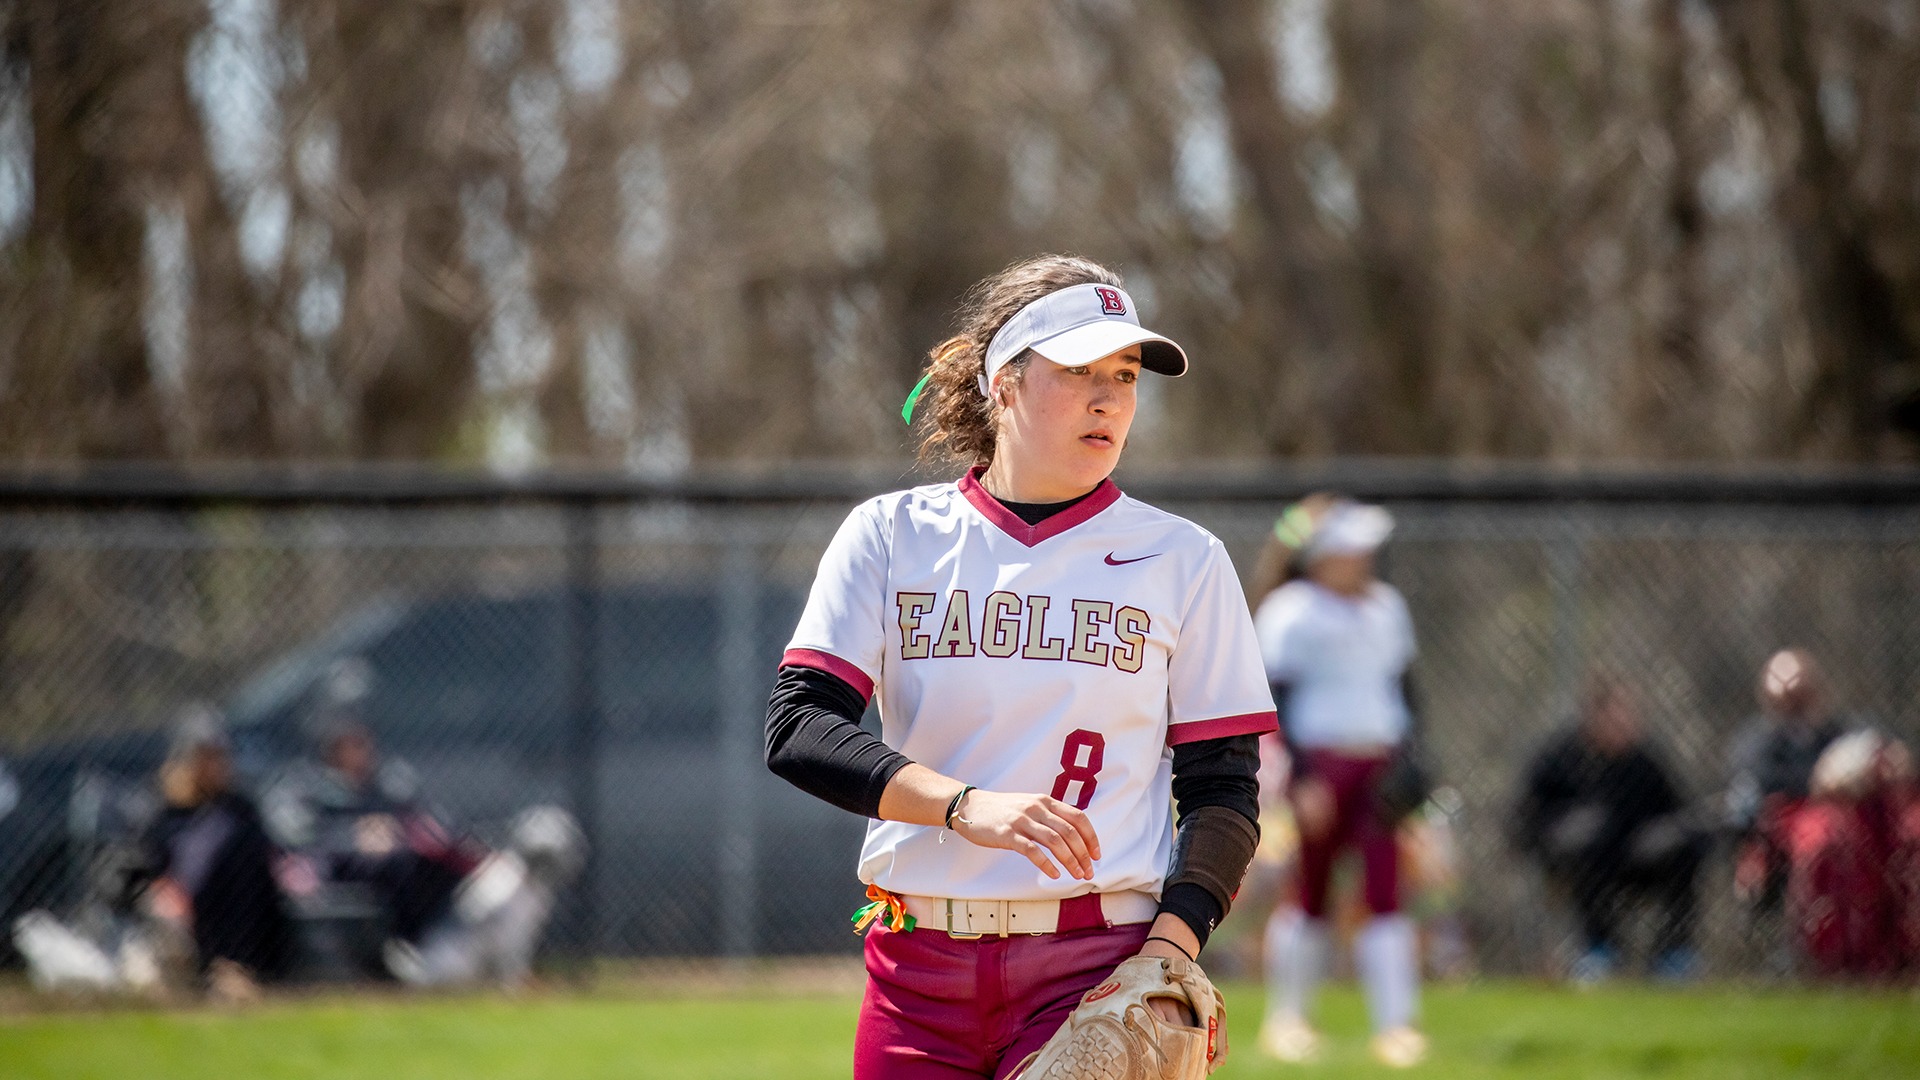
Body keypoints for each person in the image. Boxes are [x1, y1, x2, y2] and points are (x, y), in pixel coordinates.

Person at [764, 255, 1275, 1079]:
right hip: (915, 975)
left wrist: (1172, 948)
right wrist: (964, 806)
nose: (1109, 398)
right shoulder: (893, 535)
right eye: (1078, 370)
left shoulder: (1182, 558)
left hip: (1094, 965)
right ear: (1002, 383)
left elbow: (1223, 789)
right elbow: (800, 727)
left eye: (1126, 374)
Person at [1250, 495, 1428, 1068]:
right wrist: (1301, 778)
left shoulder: (1385, 608)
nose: (1364, 560)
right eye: (1352, 551)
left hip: (1379, 763)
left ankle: (1396, 1027)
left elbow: (1404, 690)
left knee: (1385, 892)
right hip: (1321, 765)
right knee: (1311, 889)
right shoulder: (1292, 611)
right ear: (1323, 556)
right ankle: (1288, 1020)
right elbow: (1276, 699)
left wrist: (1415, 761)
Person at [264, 683, 484, 975]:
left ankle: (427, 953)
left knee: (423, 866)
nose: (362, 749)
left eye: (363, 740)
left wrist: (396, 832)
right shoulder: (302, 785)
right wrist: (352, 836)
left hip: (396, 871)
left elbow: (434, 825)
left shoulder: (389, 783)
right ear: (329, 746)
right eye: (350, 742)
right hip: (333, 872)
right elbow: (290, 835)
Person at [1514, 675, 1707, 983]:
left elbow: (1678, 812)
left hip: (1637, 861)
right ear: (1595, 716)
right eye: (1619, 713)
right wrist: (1562, 834)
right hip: (1583, 865)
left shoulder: (1644, 761)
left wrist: (1665, 836)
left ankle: (1672, 954)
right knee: (1589, 837)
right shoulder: (1560, 757)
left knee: (1686, 848)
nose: (1629, 721)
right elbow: (1525, 819)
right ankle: (1598, 950)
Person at [137, 707, 295, 998]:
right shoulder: (166, 811)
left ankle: (235, 969)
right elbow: (147, 866)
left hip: (230, 909)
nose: (216, 765)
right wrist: (165, 890)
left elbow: (269, 855)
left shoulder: (238, 808)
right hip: (183, 905)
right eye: (206, 757)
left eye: (220, 757)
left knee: (245, 862)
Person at [1724, 648, 1855, 960]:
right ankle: (1803, 945)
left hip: (1839, 824)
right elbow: (1760, 781)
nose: (1792, 692)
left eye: (1800, 685)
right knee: (1818, 841)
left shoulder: (1836, 733)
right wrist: (1821, 781)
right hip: (1779, 829)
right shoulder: (1756, 739)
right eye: (1783, 684)